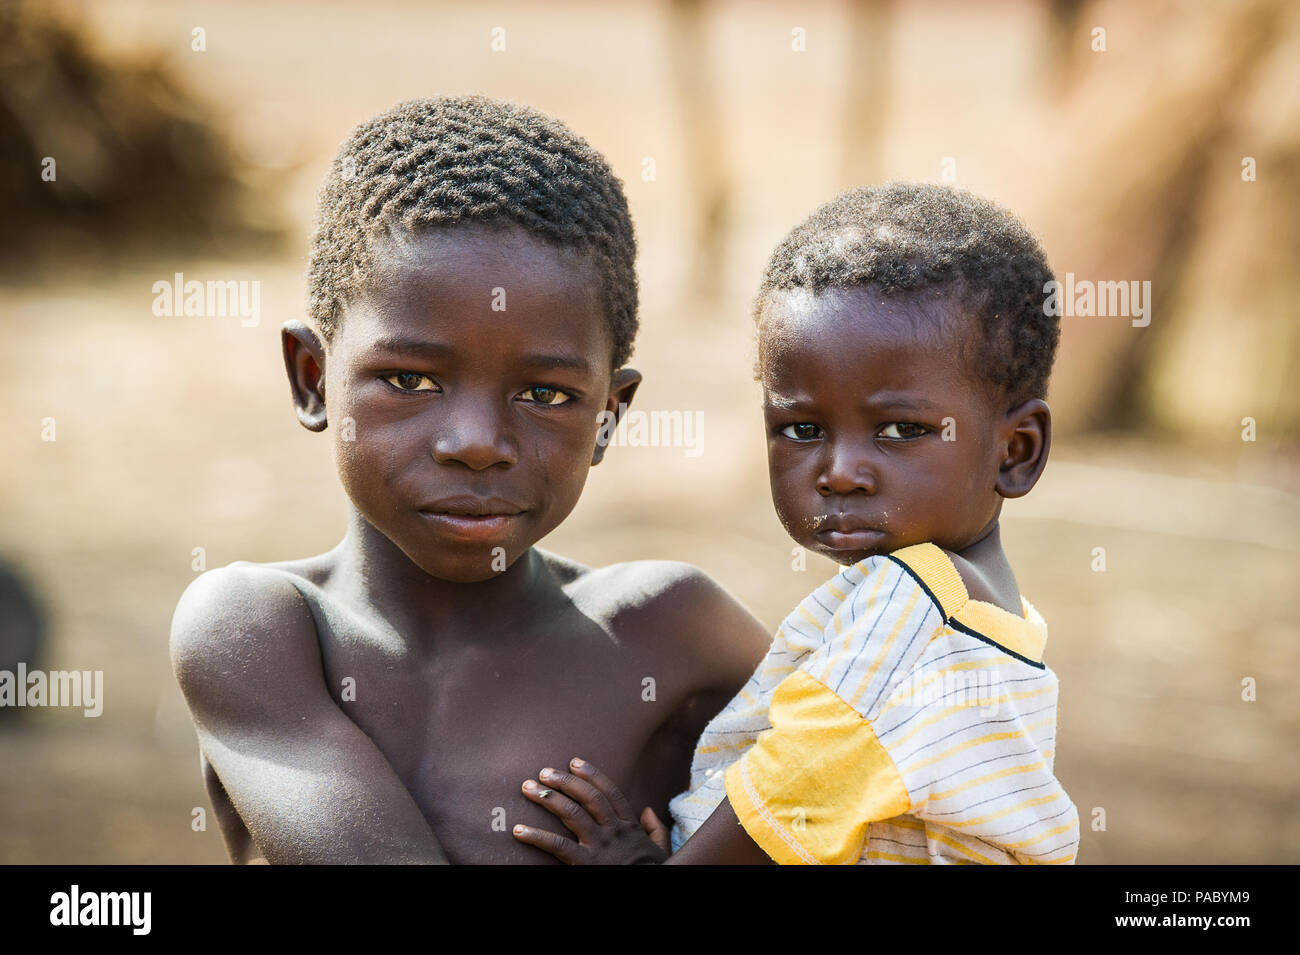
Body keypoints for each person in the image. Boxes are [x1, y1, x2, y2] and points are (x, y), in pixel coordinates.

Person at [169, 95, 771, 864]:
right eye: (411, 381)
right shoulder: (258, 629)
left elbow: (902, 784)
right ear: (313, 378)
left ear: (610, 416)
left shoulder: (672, 632)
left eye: (546, 394)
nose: (477, 444)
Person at [513, 182, 1080, 864]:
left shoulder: (913, 610)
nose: (839, 470)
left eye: (901, 429)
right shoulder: (994, 618)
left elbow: (792, 793)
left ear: (1015, 451)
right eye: (802, 427)